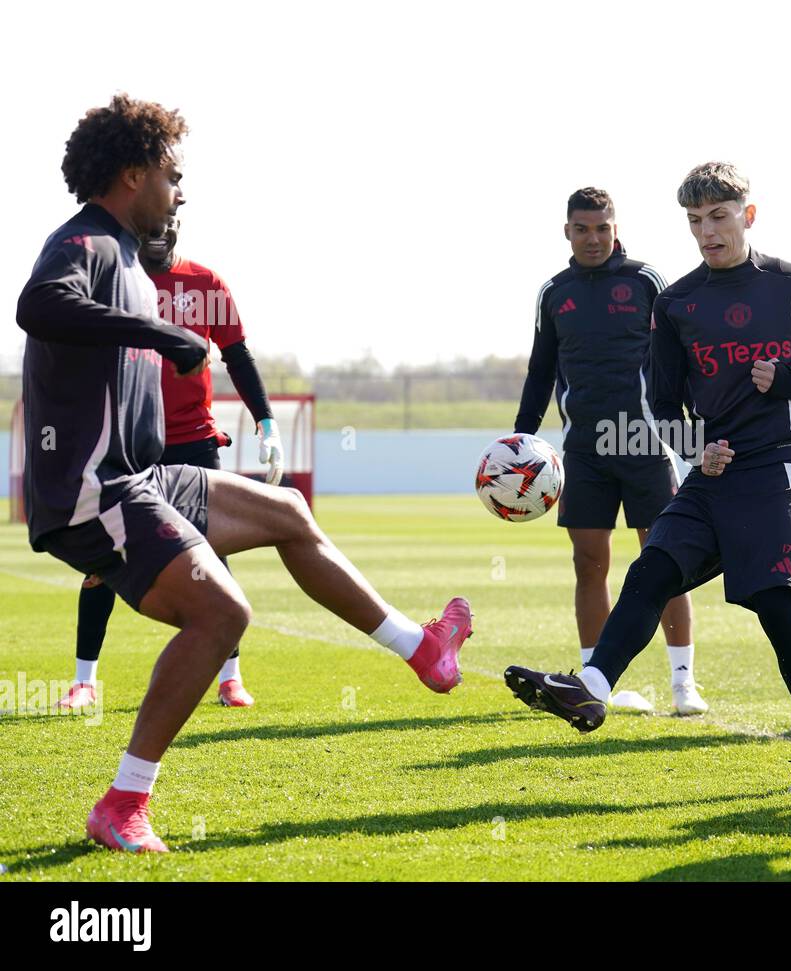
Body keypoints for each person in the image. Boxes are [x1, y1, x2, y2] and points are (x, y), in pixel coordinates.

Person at [16, 94, 472, 853]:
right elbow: (38, 304)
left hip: (143, 475)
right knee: (223, 614)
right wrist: (163, 332)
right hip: (93, 490)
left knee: (287, 510)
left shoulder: (128, 255)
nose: (180, 190)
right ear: (132, 175)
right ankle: (124, 802)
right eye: (171, 173)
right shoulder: (87, 244)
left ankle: (422, 649)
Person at [504, 162, 791, 792]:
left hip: (783, 464)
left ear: (748, 216)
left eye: (719, 217)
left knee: (777, 608)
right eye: (696, 221)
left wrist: (789, 382)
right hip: (713, 471)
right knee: (651, 572)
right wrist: (697, 448)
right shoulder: (676, 304)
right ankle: (590, 689)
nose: (707, 232)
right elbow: (663, 407)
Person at [57, 214, 280, 711]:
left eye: (170, 223)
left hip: (194, 440)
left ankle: (230, 678)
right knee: (103, 557)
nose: (160, 232)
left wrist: (266, 422)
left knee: (213, 555)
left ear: (178, 223)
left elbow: (237, 356)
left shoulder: (205, 284)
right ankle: (85, 681)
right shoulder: (114, 282)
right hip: (127, 443)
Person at [514, 188, 706, 715]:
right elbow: (540, 371)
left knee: (665, 561)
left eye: (602, 228)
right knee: (589, 563)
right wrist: (522, 437)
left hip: (647, 443)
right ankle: (589, 681)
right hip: (584, 451)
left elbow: (681, 358)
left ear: (615, 227)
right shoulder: (554, 293)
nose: (593, 238)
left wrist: (692, 430)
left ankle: (683, 682)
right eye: (582, 229)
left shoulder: (646, 282)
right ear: (567, 231)